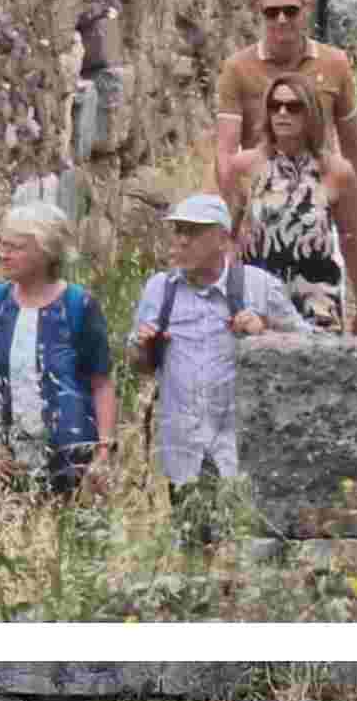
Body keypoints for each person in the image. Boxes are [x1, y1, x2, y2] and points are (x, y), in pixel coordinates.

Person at [124, 193, 304, 547]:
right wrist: (143, 346)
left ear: (222, 239)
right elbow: (138, 367)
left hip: (245, 446)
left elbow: (307, 349)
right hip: (185, 446)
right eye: (178, 231)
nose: (181, 240)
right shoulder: (160, 290)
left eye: (193, 232)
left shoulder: (258, 286)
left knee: (251, 545)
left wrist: (264, 333)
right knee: (194, 547)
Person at [215, 0, 357, 308]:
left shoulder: (335, 64)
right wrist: (232, 223)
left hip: (321, 203)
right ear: (259, 11)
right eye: (271, 12)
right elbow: (225, 153)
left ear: (306, 7)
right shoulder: (237, 69)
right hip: (262, 205)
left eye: (290, 10)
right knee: (257, 314)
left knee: (324, 307)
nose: (281, 20)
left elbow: (354, 148)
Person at [0, 204, 117, 499]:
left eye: (15, 247)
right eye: (2, 245)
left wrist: (103, 453)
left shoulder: (79, 305)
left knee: (69, 527)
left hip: (73, 464)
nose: (4, 254)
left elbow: (102, 383)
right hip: (7, 465)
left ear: (46, 251)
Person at [226, 72, 357, 335]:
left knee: (320, 359)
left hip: (317, 299)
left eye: (293, 106)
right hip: (259, 298)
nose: (282, 112)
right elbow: (227, 237)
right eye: (274, 105)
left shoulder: (337, 171)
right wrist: (229, 298)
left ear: (310, 112)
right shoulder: (245, 166)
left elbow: (350, 242)